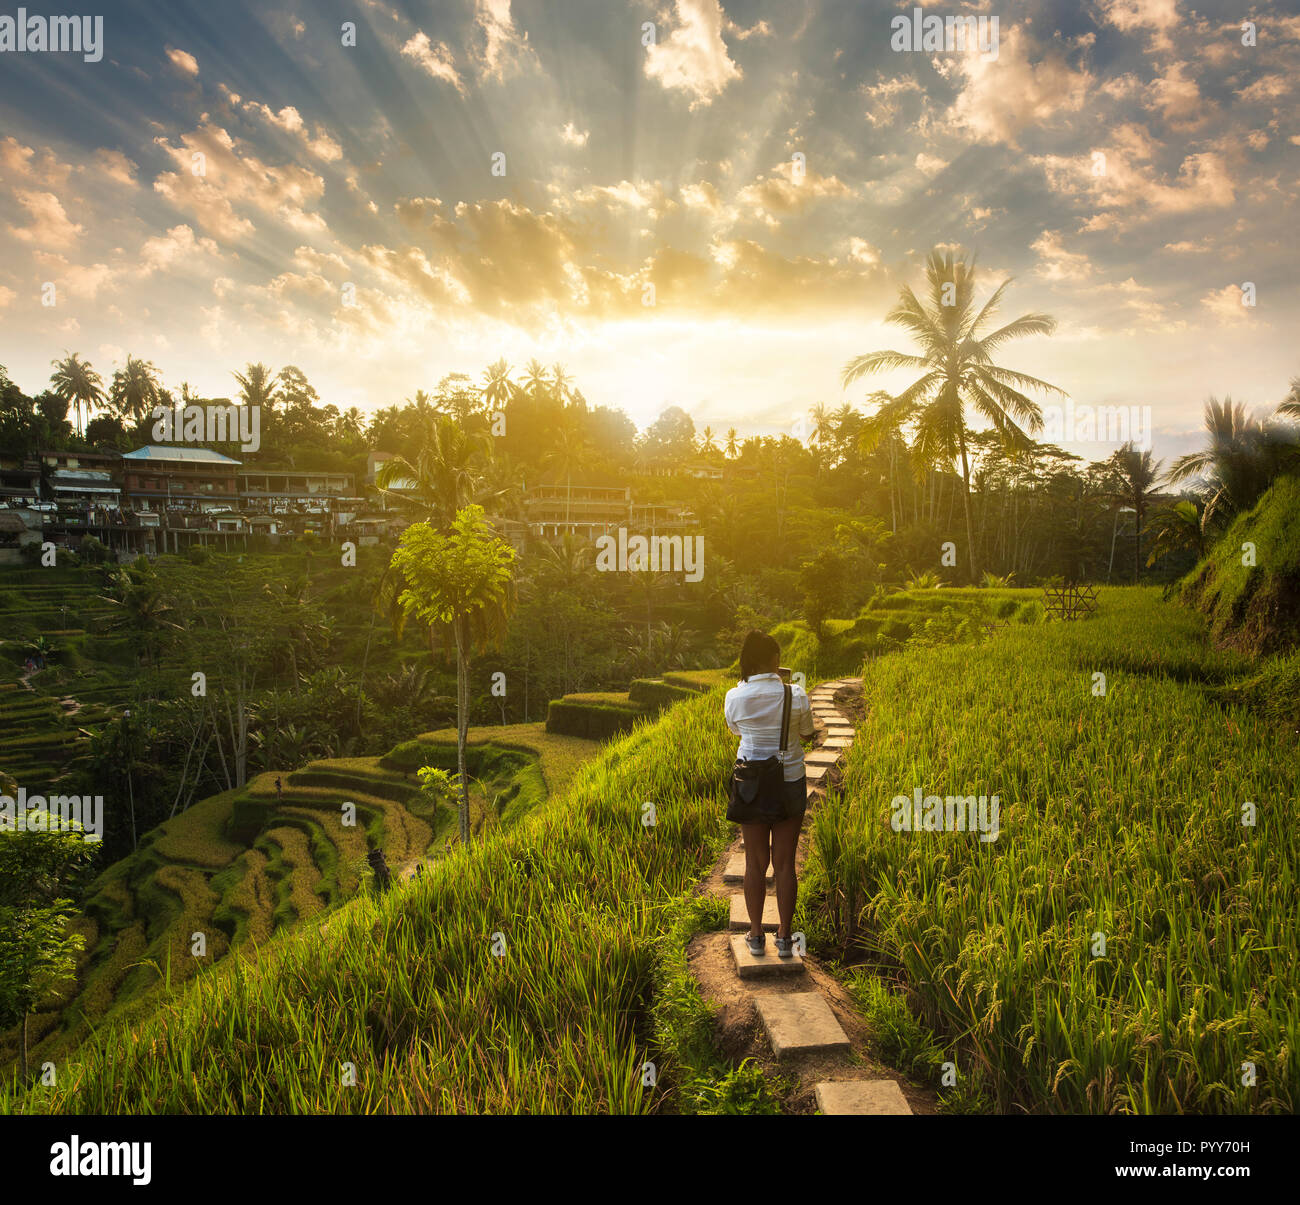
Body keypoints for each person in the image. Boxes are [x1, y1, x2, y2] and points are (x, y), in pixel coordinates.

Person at [723, 631, 815, 958]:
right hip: (789, 779)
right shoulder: (797, 695)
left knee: (754, 861)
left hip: (751, 784)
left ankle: (756, 935)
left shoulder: (735, 696)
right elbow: (807, 733)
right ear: (775, 659)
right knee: (786, 863)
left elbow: (736, 729)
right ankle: (786, 938)